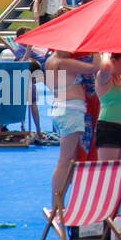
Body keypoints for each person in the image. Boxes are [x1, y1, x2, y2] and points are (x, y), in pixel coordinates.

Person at [45, 50, 100, 212]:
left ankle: (62, 202)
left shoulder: (50, 61)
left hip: (63, 108)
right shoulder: (62, 63)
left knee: (71, 161)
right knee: (65, 161)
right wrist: (96, 51)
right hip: (71, 110)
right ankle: (56, 205)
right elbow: (93, 67)